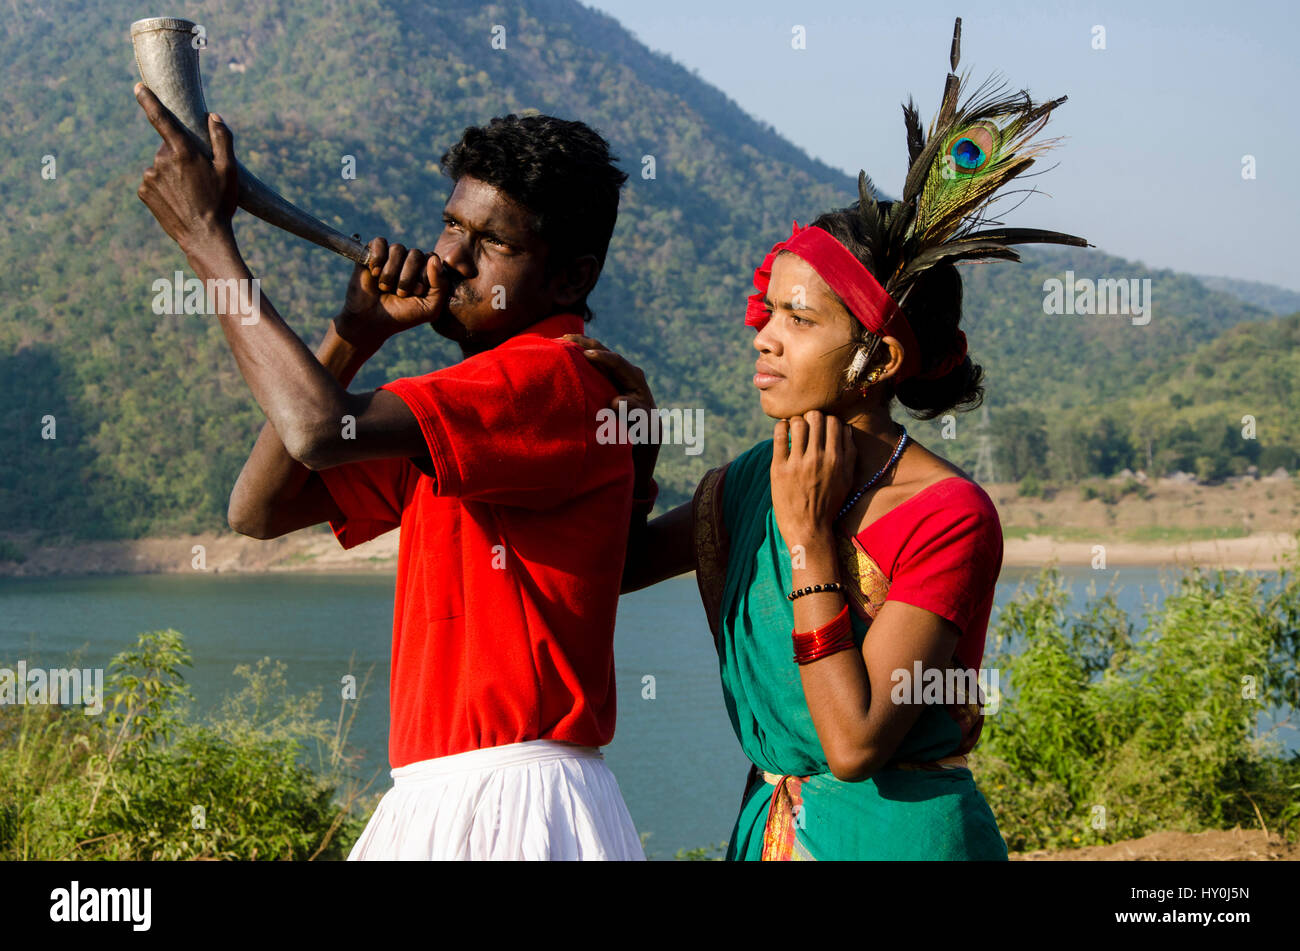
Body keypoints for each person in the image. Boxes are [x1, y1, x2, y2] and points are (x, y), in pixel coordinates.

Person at [571, 19, 1088, 859]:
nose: (763, 336)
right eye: (769, 309)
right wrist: (637, 453)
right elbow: (613, 569)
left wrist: (809, 542)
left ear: (875, 356)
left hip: (901, 836)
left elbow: (854, 744)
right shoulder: (745, 484)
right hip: (770, 829)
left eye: (799, 318)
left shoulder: (948, 515)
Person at [133, 86, 649, 859]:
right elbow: (259, 507)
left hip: (513, 802)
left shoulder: (554, 378)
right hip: (444, 788)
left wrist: (207, 242)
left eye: (492, 244)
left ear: (570, 279)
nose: (451, 259)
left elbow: (313, 427)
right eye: (451, 225)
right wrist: (353, 331)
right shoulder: (460, 418)